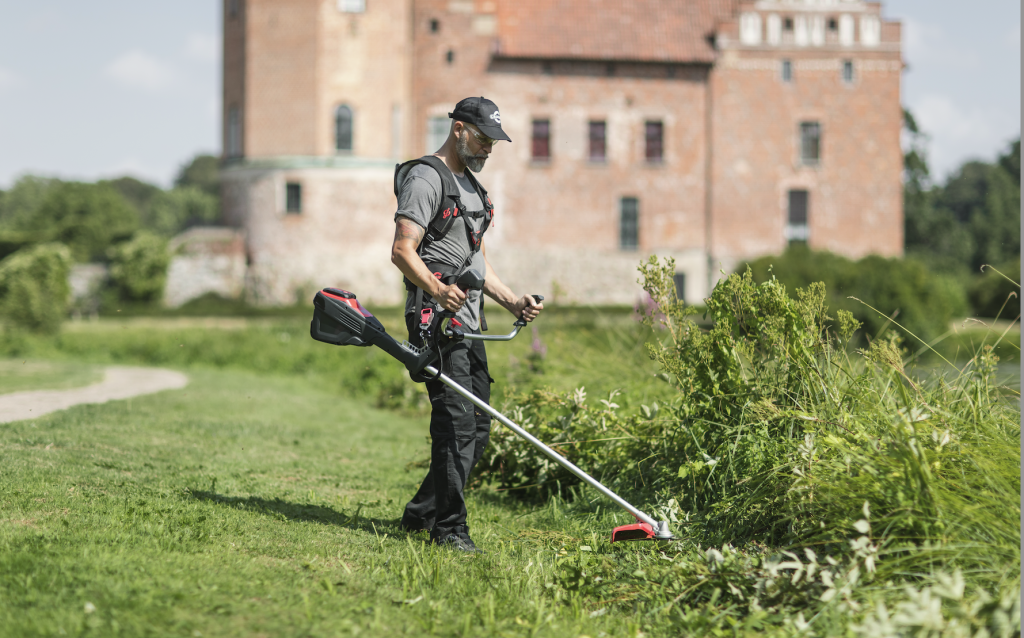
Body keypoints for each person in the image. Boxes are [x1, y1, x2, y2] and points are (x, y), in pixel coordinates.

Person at [390, 97, 543, 552]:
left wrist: (512, 300)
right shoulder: (425, 178)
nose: (488, 148)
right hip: (437, 321)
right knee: (455, 425)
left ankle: (421, 514)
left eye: (494, 141)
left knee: (477, 427)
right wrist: (438, 291)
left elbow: (476, 260)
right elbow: (402, 250)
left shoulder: (474, 190)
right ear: (458, 129)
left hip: (471, 325)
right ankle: (450, 530)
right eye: (482, 138)